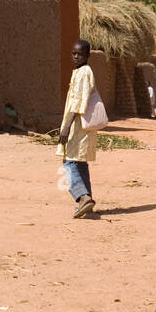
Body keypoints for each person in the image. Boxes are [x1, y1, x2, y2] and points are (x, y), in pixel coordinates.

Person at [57, 39, 98, 219]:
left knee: (69, 163)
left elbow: (79, 102)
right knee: (80, 162)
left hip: (77, 125)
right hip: (80, 126)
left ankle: (82, 197)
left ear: (88, 55)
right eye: (73, 53)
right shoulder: (80, 72)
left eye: (79, 54)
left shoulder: (83, 73)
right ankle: (87, 202)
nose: (75, 56)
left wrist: (66, 126)